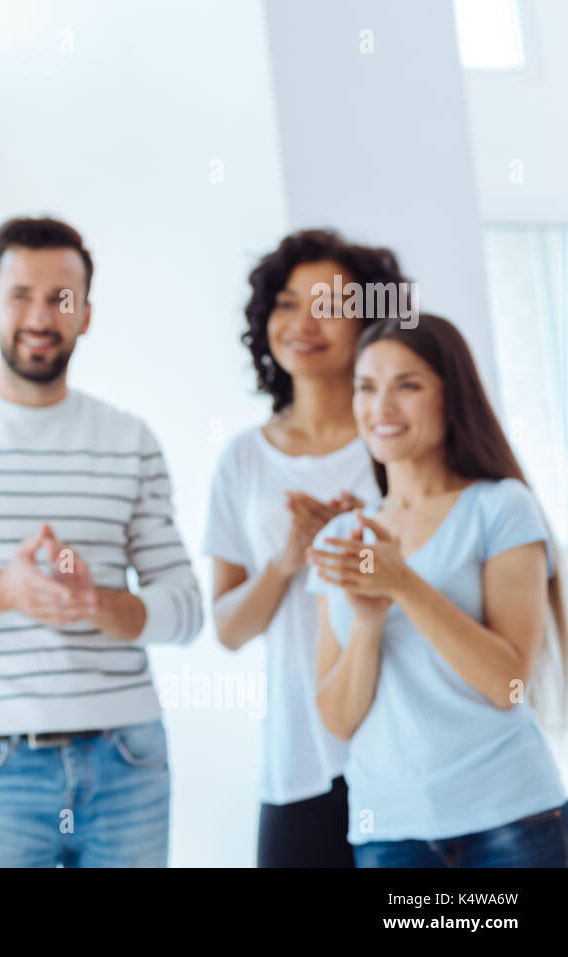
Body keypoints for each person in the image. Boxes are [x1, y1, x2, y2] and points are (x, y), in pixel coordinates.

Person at [0, 216, 203, 867]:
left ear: (86, 314)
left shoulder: (130, 438)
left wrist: (99, 604)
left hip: (128, 756)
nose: (40, 315)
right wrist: (1, 589)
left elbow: (186, 609)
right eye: (21, 294)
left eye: (61, 298)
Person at [307, 313, 568, 867]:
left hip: (509, 822)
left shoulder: (500, 508)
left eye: (409, 385)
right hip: (389, 833)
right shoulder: (340, 539)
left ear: (453, 397)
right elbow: (337, 719)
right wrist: (369, 622)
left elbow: (509, 686)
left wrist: (404, 582)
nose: (382, 407)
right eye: (366, 387)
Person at [203, 229, 412, 867]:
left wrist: (362, 549)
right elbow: (229, 630)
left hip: (404, 737)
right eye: (288, 303)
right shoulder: (243, 457)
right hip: (299, 756)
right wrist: (290, 559)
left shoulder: (397, 436)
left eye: (329, 305)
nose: (302, 322)